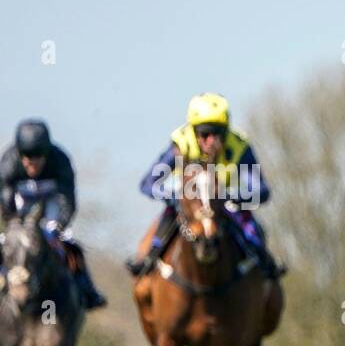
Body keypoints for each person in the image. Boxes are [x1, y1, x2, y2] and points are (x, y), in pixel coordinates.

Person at [129, 92, 281, 278]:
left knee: (253, 232)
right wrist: (175, 198)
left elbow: (261, 190)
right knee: (162, 229)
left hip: (224, 204)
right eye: (204, 133)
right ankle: (147, 263)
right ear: (194, 131)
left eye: (218, 133)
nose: (211, 140)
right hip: (185, 205)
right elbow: (148, 183)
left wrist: (235, 197)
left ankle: (266, 267)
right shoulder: (180, 145)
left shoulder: (240, 147)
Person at [0, 119, 107, 308]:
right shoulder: (9, 161)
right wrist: (14, 223)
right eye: (27, 158)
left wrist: (59, 225)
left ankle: (87, 288)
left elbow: (67, 199)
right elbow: (5, 198)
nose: (32, 164)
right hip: (21, 205)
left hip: (52, 202)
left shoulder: (60, 161)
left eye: (38, 158)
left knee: (70, 243)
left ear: (46, 154)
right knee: (7, 242)